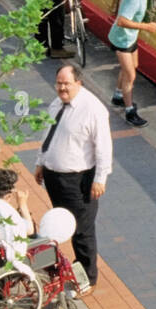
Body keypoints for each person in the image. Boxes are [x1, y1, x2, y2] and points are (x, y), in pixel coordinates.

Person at [34, 62, 111, 293]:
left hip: (79, 181)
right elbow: (48, 133)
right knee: (62, 223)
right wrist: (41, 162)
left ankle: (88, 278)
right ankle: (68, 269)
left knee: (82, 230)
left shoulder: (93, 109)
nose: (61, 88)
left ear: (79, 82)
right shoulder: (57, 103)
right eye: (58, 83)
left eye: (66, 83)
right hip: (54, 178)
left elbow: (103, 147)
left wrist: (100, 178)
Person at [109, 0, 156, 127]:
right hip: (122, 40)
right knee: (130, 75)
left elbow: (121, 2)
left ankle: (118, 96)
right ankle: (129, 111)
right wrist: (147, 26)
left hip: (130, 38)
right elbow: (122, 21)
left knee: (133, 66)